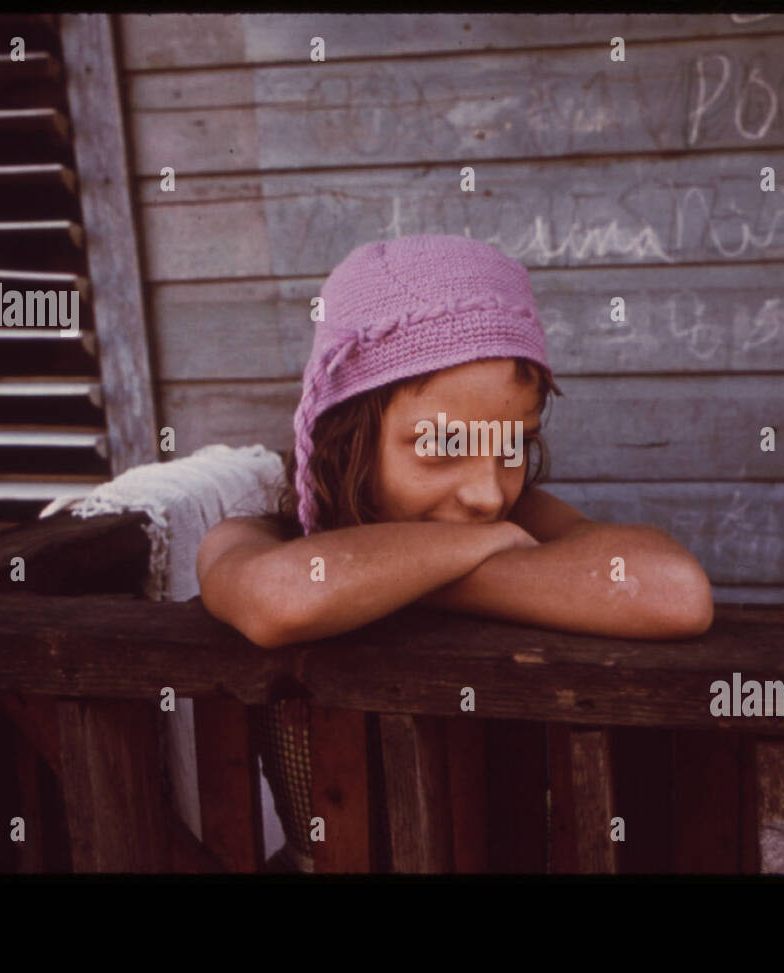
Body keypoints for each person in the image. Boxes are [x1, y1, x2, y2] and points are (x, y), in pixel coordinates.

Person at [197, 234, 713, 872]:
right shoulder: (256, 540)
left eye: (513, 445)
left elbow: (674, 592)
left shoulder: (517, 521)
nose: (486, 492)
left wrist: (429, 568)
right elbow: (284, 599)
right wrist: (479, 551)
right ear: (344, 438)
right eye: (441, 448)